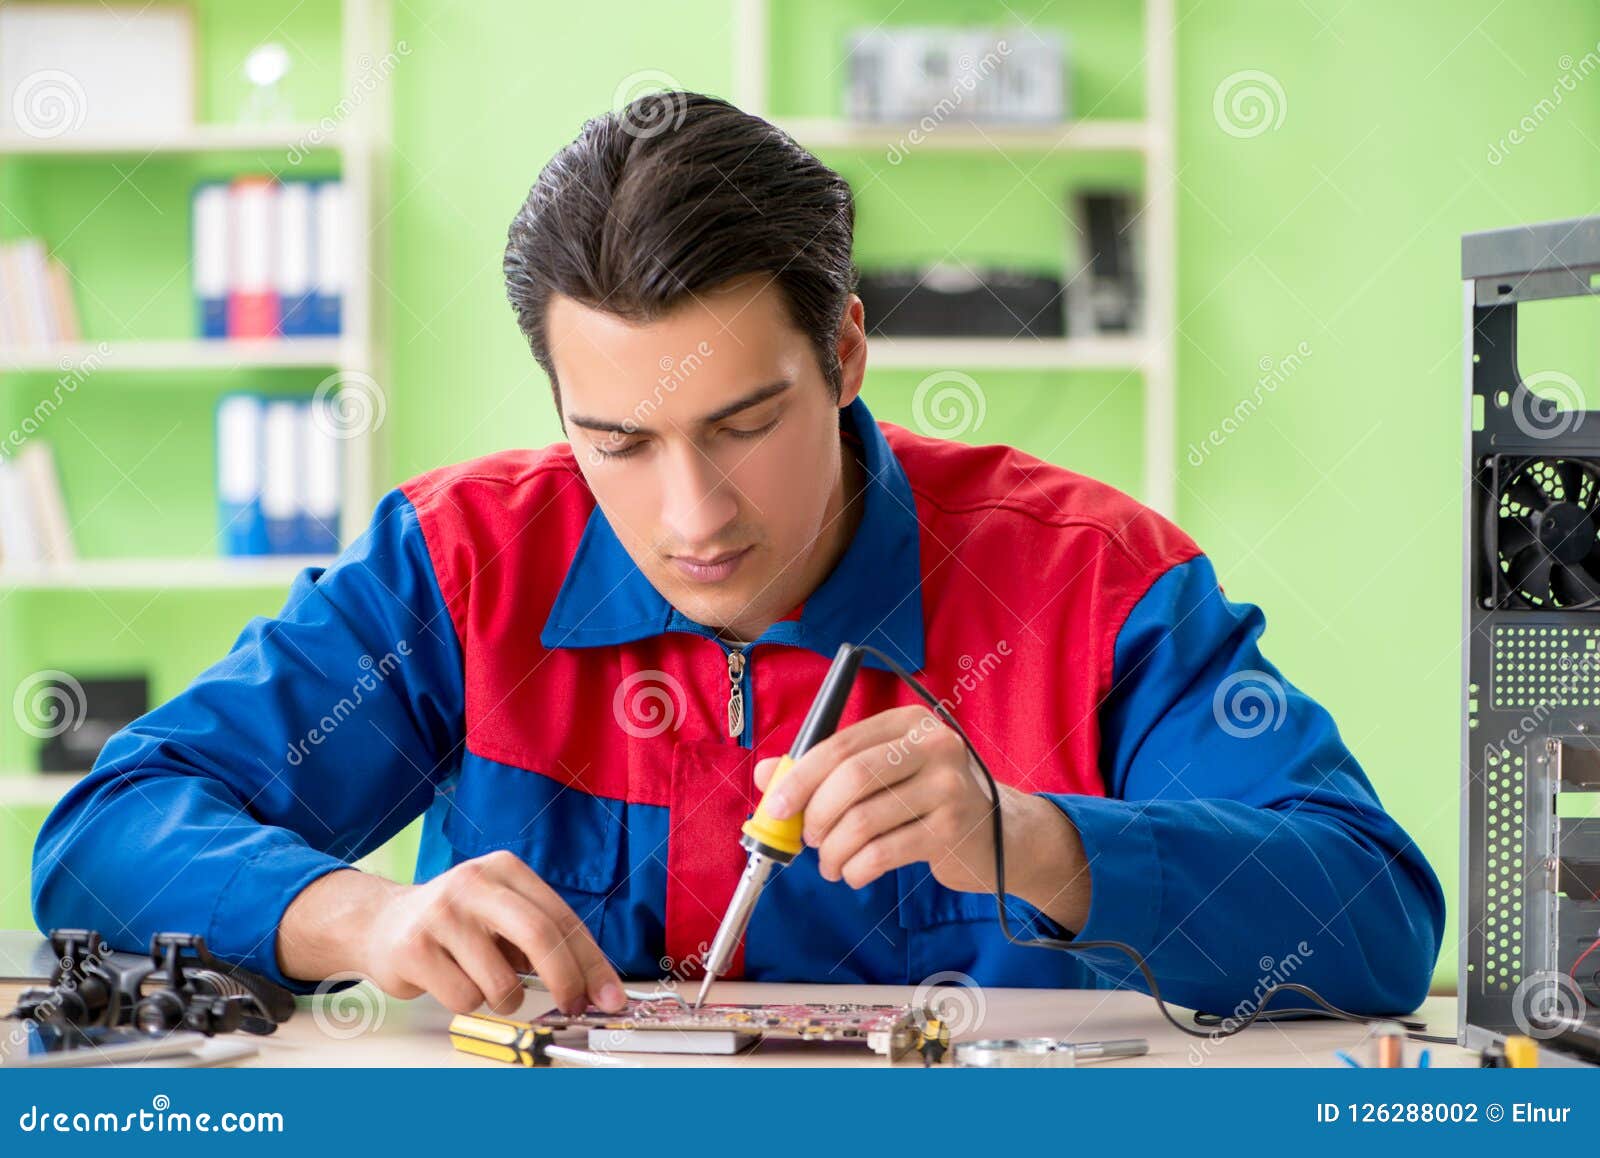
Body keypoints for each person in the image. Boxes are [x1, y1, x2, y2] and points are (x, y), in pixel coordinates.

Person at [33, 93, 1444, 1021]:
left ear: (843, 355)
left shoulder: (1095, 580)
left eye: (745, 422)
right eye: (619, 441)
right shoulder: (458, 567)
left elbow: (1376, 918)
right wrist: (358, 912)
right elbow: (103, 839)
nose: (693, 513)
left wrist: (1044, 842)